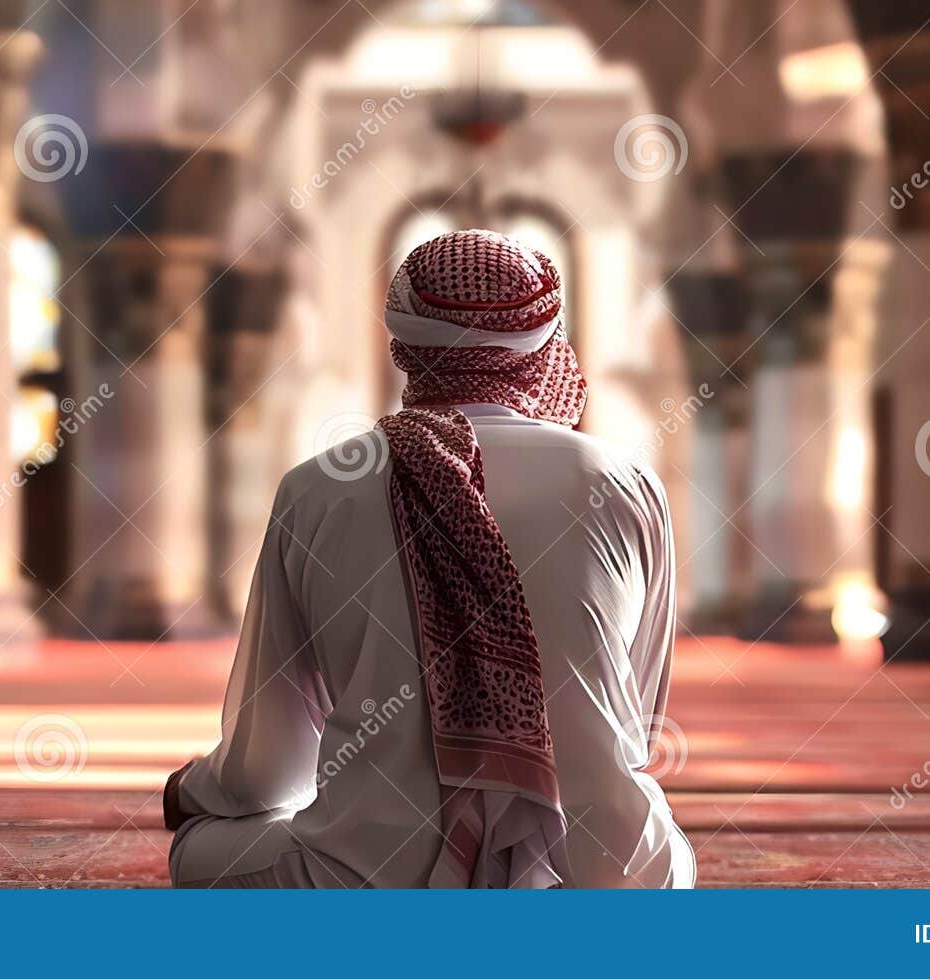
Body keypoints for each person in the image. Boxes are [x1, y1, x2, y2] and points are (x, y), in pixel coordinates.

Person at [164, 229, 694, 888]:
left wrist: (191, 787)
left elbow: (267, 773)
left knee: (199, 847)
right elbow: (634, 727)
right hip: (609, 883)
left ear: (403, 346)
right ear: (544, 345)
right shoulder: (624, 482)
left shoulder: (318, 487)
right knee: (665, 849)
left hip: (364, 882)